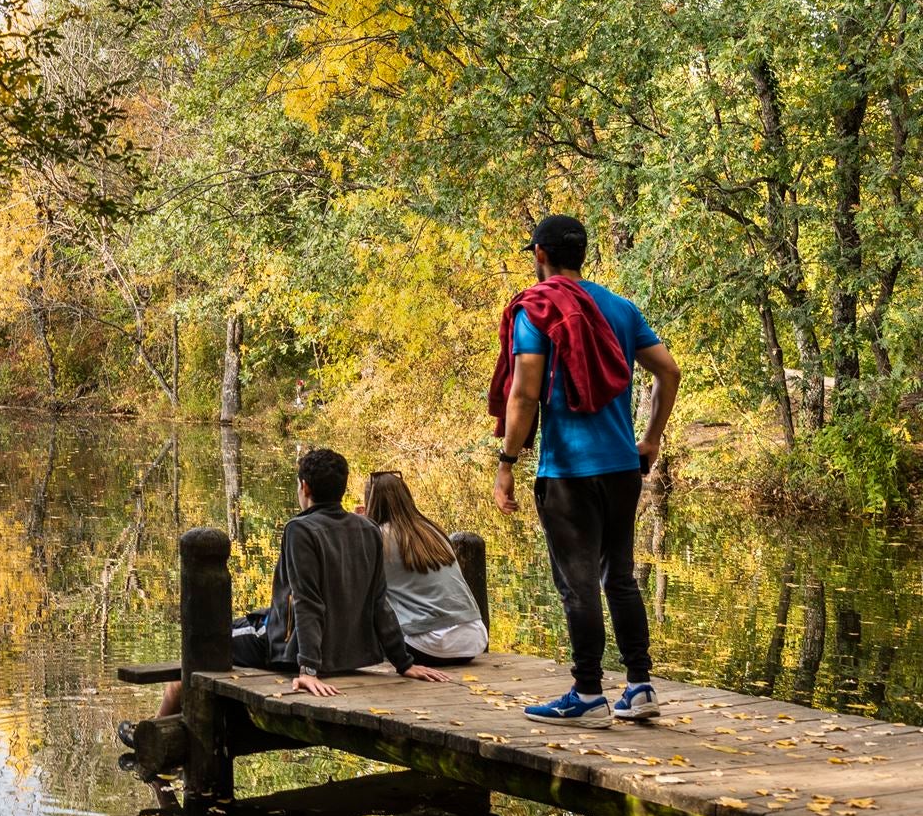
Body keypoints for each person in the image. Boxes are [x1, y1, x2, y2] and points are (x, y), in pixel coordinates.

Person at [120, 449, 452, 744]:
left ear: (304, 487)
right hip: (351, 653)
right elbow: (379, 601)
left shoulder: (301, 529)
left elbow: (308, 601)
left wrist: (307, 668)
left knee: (201, 646)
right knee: (249, 621)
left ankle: (151, 736)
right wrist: (403, 663)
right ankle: (161, 727)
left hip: (296, 652)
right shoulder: (367, 529)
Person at [490, 213, 680, 729]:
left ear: (540, 255)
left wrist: (506, 463)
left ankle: (589, 692)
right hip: (623, 467)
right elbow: (668, 370)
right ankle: (639, 686)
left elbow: (525, 392)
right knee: (619, 577)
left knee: (578, 585)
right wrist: (652, 436)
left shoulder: (539, 309)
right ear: (583, 255)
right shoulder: (618, 307)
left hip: (570, 472)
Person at [361, 471, 487, 666]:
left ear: (371, 502)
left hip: (429, 646)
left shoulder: (376, 538)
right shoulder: (433, 531)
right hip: (473, 639)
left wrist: (359, 526)